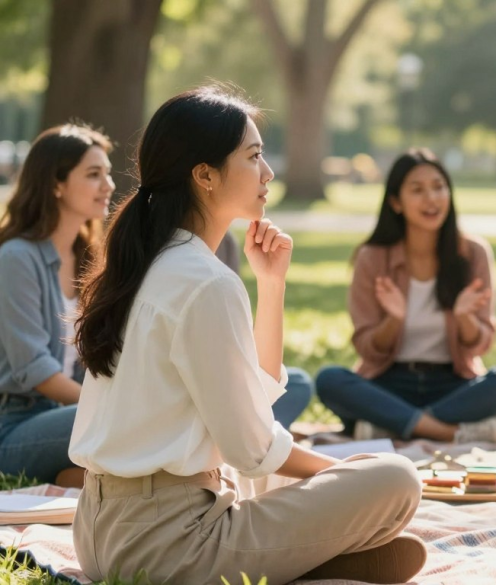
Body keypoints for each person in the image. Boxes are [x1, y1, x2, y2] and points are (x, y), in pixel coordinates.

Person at [68, 87, 425, 584]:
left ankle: (307, 559)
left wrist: (271, 285)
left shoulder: (147, 264)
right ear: (205, 175)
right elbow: (253, 449)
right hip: (172, 544)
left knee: (271, 470)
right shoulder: (203, 280)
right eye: (254, 156)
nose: (268, 172)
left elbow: (249, 406)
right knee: (396, 478)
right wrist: (346, 476)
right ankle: (308, 559)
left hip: (99, 535)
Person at [316, 148, 496, 443]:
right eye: (417, 190)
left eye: (439, 187)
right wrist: (394, 319)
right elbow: (368, 349)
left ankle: (390, 425)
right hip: (389, 381)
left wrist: (464, 317)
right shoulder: (372, 258)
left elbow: (480, 344)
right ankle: (447, 431)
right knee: (330, 380)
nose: (432, 199)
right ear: (396, 202)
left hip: (453, 383)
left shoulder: (473, 253)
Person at [0, 124, 113, 487]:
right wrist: (109, 404)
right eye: (94, 175)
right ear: (56, 184)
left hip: (68, 416)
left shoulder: (89, 258)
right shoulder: (16, 258)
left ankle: (70, 479)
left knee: (297, 383)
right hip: (15, 426)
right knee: (133, 416)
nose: (108, 186)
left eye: (107, 174)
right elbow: (34, 367)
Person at [216, 230, 313, 429]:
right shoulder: (176, 258)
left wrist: (272, 281)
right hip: (203, 395)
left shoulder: (225, 242)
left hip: (232, 388)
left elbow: (261, 385)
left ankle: (265, 433)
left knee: (297, 383)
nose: (267, 195)